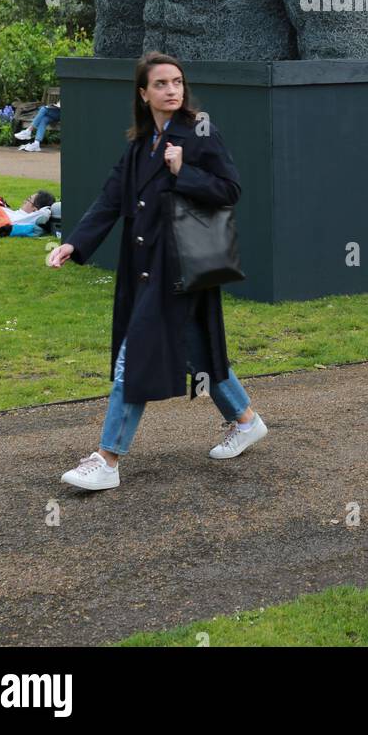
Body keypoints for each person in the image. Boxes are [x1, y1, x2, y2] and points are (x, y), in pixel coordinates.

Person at [47, 50, 266, 491]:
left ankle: (107, 458)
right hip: (144, 267)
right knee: (194, 347)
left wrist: (185, 172)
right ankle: (245, 419)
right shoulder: (139, 144)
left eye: (177, 82)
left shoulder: (199, 129)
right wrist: (75, 241)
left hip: (181, 264)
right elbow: (110, 199)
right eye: (161, 84)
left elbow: (230, 188)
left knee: (137, 354)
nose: (171, 90)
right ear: (143, 92)